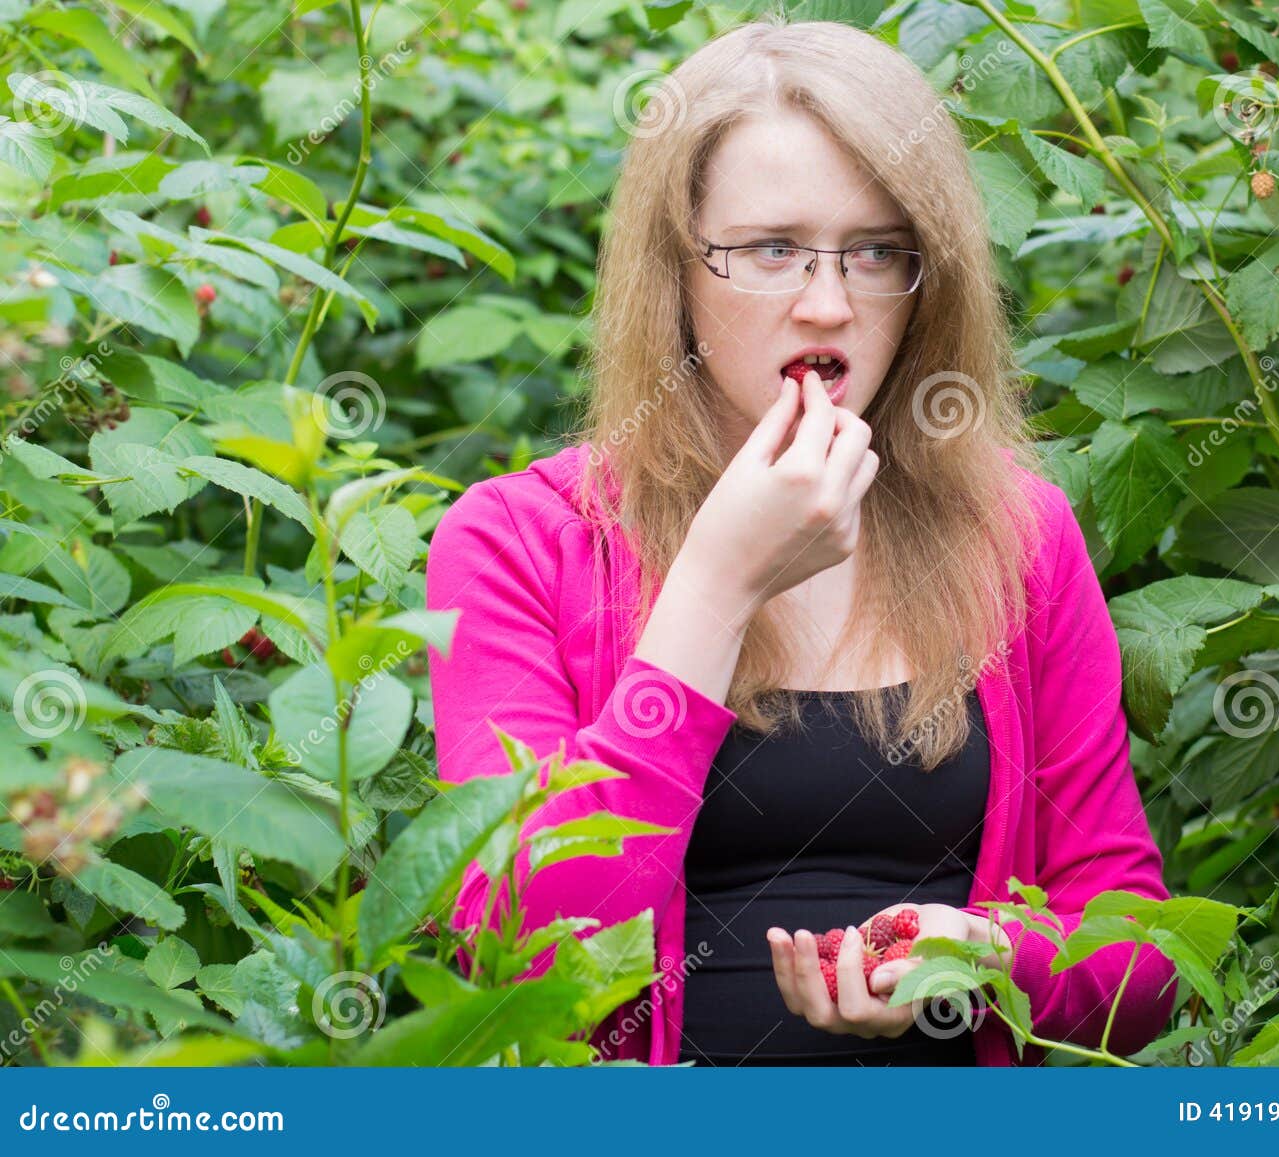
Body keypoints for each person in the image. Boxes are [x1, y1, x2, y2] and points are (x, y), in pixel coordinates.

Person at [425, 15, 1176, 1066]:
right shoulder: (518, 541)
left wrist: (992, 954)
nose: (827, 305)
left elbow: (1140, 959)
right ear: (676, 273)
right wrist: (716, 590)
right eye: (772, 249)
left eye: (875, 252)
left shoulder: (1015, 535)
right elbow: (524, 949)